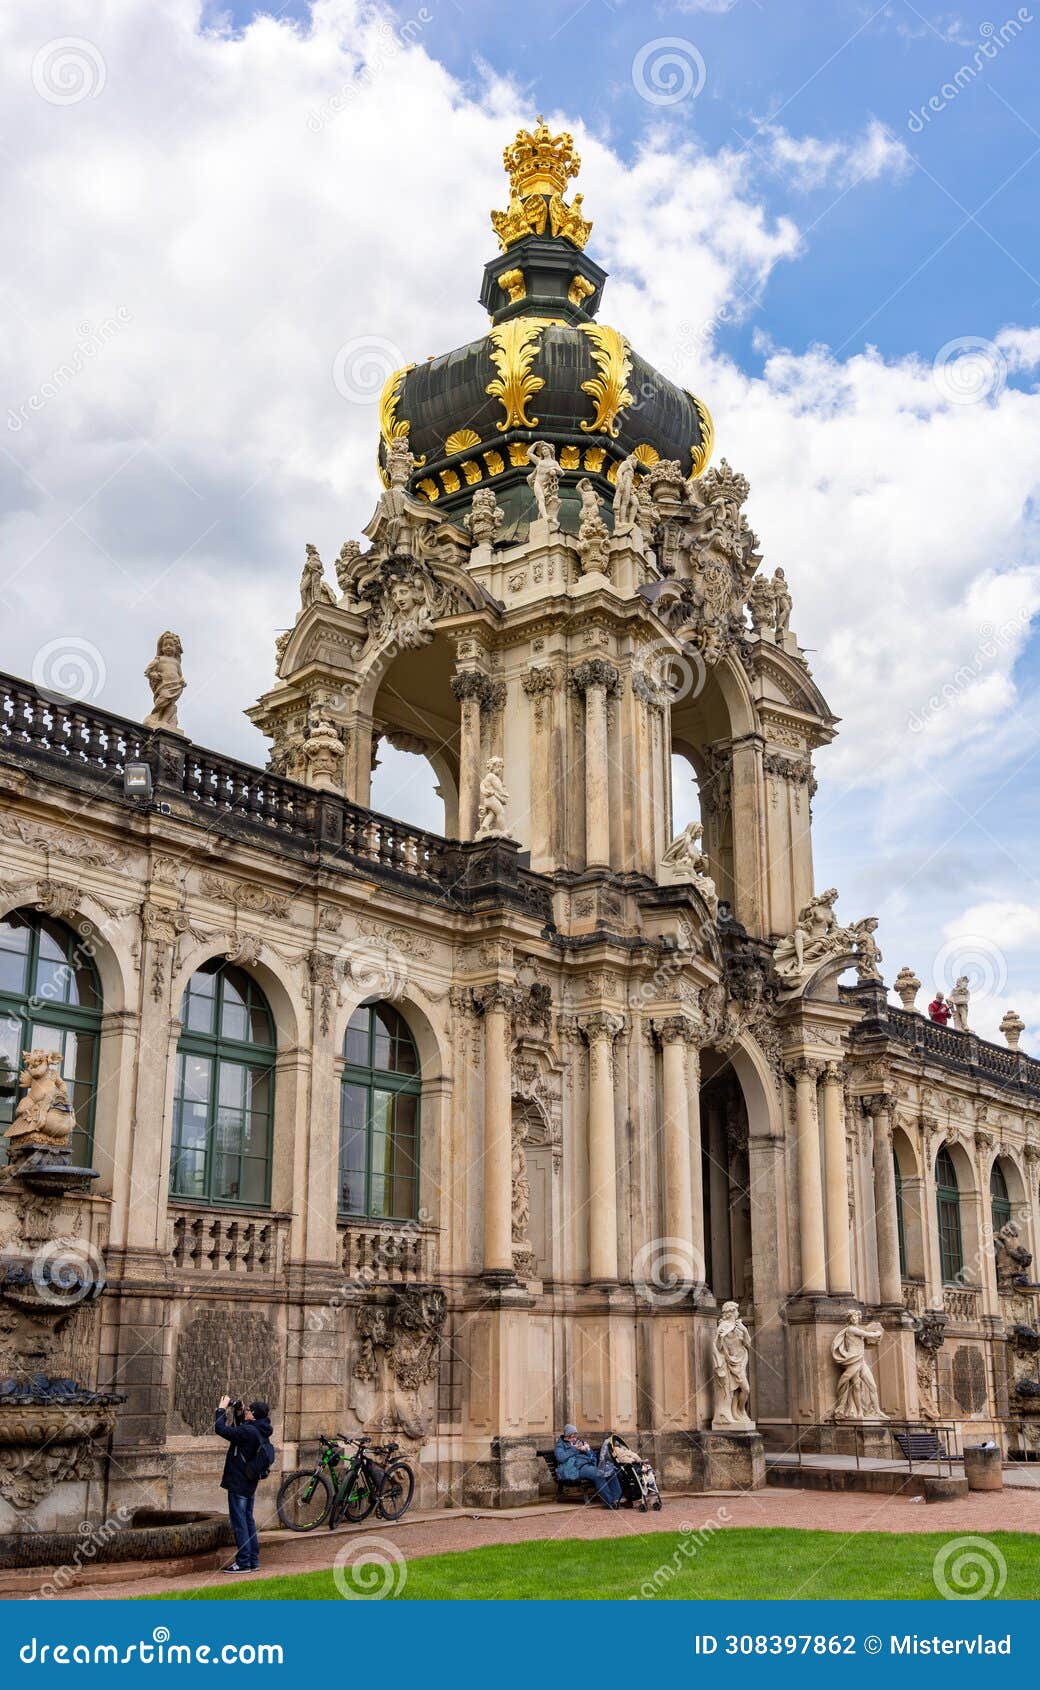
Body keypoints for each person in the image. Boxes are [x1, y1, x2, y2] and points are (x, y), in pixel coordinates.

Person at [215, 1395, 274, 1573]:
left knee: (239, 1522)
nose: (247, 1411)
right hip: (249, 1482)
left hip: (239, 1481)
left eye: (248, 1410)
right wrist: (239, 1413)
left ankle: (243, 1563)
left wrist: (221, 1409)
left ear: (254, 1414)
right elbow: (241, 1433)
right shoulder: (260, 1430)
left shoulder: (248, 1432)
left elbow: (220, 1429)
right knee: (248, 1520)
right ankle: (252, 1560)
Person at [553, 1424, 622, 1509]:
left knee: (610, 1471)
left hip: (588, 1464)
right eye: (572, 1436)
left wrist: (587, 1450)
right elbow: (561, 1458)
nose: (575, 1438)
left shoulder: (578, 1442)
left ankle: (617, 1499)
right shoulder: (560, 1445)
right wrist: (575, 1449)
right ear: (567, 1436)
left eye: (575, 1435)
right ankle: (610, 1502)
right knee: (598, 1475)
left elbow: (592, 1456)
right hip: (576, 1468)